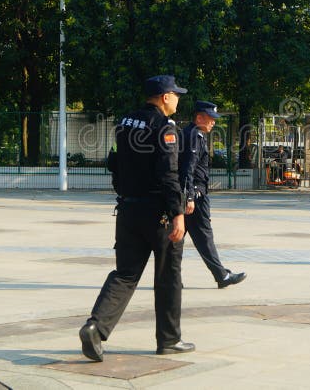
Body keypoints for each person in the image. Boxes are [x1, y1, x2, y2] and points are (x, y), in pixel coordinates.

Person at [79, 75, 194, 362]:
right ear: (165, 96)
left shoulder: (125, 122)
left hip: (128, 210)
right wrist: (177, 213)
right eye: (176, 94)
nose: (179, 99)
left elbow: (115, 163)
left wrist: (127, 195)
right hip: (158, 215)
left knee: (125, 275)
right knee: (168, 277)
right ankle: (169, 340)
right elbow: (169, 173)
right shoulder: (165, 127)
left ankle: (95, 327)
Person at [179, 101, 247, 289]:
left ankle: (170, 279)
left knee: (176, 240)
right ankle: (221, 276)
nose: (214, 123)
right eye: (210, 119)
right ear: (199, 117)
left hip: (191, 194)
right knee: (203, 237)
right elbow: (188, 167)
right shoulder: (194, 136)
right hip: (196, 197)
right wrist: (190, 196)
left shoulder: (191, 134)